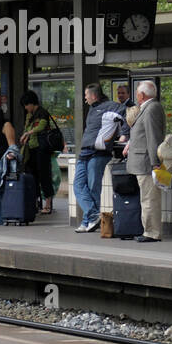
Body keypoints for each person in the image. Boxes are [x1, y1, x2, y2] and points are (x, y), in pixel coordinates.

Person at [124, 80, 165, 243]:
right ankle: (149, 230)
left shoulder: (151, 108)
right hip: (143, 162)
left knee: (149, 199)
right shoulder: (150, 107)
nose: (136, 97)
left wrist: (155, 162)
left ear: (141, 95)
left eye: (137, 94)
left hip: (146, 163)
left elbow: (153, 137)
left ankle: (152, 232)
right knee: (147, 198)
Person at [72, 83, 115, 233]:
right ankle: (93, 215)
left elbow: (126, 117)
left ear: (94, 96)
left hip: (98, 153)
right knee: (78, 185)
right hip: (85, 153)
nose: (85, 99)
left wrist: (125, 135)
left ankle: (87, 221)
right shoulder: (92, 108)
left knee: (93, 188)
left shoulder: (110, 106)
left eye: (86, 96)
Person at [18, 91, 56, 215]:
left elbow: (41, 126)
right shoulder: (30, 115)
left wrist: (28, 133)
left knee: (44, 176)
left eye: (26, 105)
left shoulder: (42, 113)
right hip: (31, 149)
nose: (25, 108)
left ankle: (48, 204)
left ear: (32, 103)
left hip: (42, 149)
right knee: (32, 175)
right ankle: (36, 202)